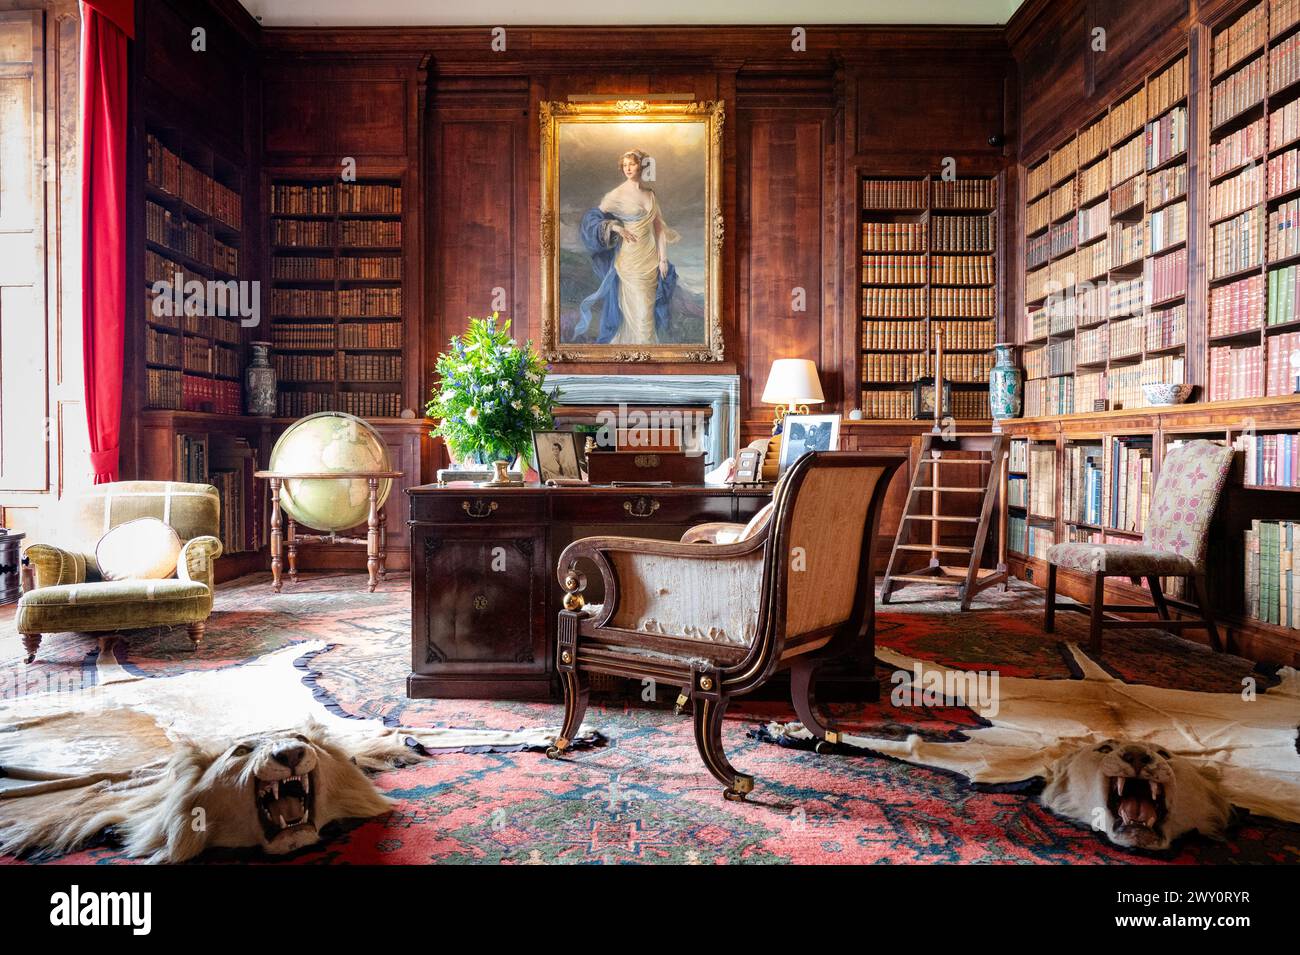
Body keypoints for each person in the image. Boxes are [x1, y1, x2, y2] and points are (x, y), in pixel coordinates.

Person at [576, 149, 679, 344]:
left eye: (631, 164)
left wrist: (663, 259)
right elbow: (592, 219)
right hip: (630, 261)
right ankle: (638, 352)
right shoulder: (617, 194)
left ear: (641, 166)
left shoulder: (650, 195)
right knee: (638, 313)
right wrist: (614, 226)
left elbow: (658, 229)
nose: (628, 168)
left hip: (650, 259)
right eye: (624, 165)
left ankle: (645, 354)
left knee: (647, 312)